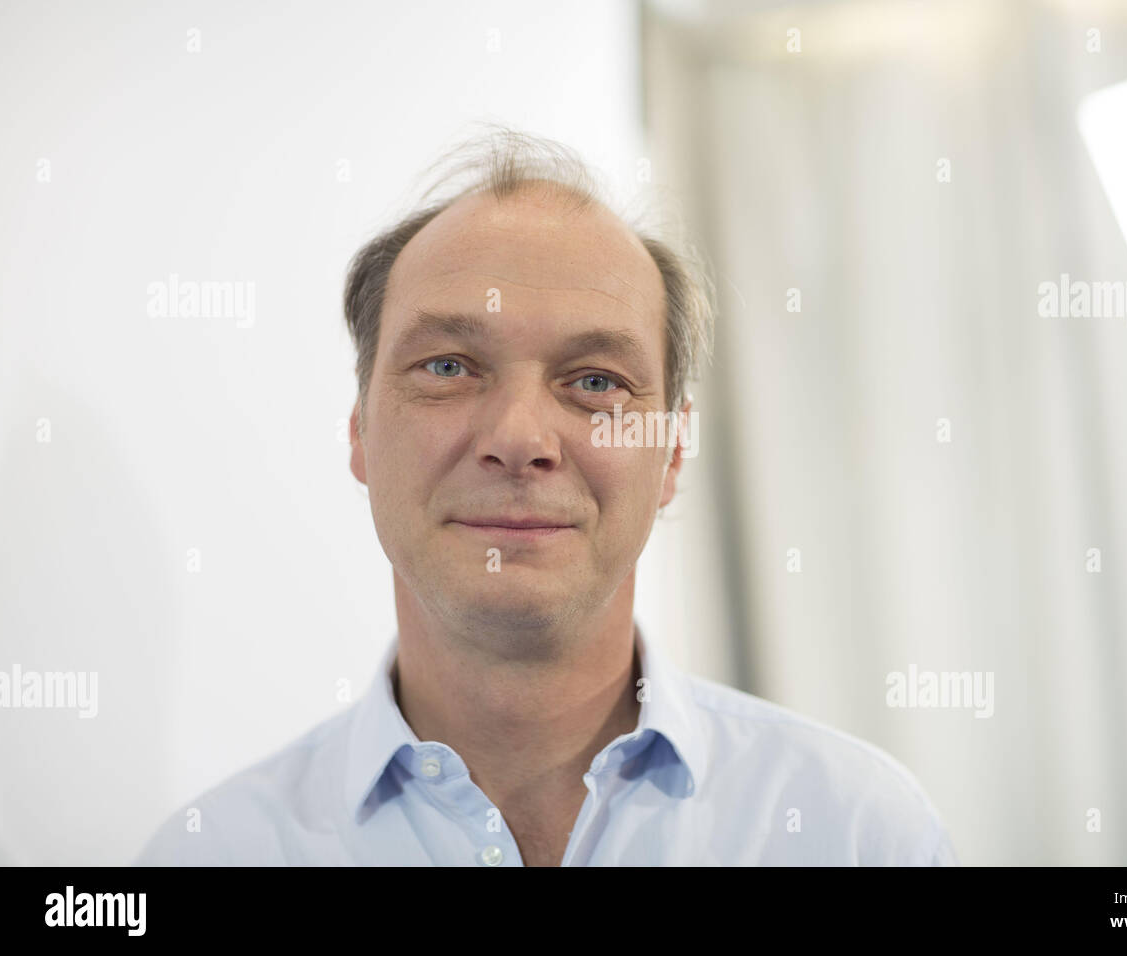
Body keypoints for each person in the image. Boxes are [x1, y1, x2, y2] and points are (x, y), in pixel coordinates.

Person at [133, 125, 957, 866]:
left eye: (595, 381)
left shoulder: (858, 834)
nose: (521, 439)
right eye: (449, 367)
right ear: (359, 433)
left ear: (670, 451)